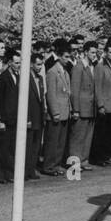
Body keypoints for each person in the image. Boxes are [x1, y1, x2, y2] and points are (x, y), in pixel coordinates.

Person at [41, 40, 72, 175]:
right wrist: (55, 112)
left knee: (60, 142)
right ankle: (48, 166)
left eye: (69, 57)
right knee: (52, 141)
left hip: (65, 111)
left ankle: (57, 164)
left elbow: (68, 93)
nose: (68, 59)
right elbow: (51, 94)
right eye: (65, 57)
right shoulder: (52, 72)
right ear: (59, 56)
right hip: (57, 112)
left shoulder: (65, 72)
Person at [69, 40, 98, 171]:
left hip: (91, 108)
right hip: (81, 107)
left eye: (95, 52)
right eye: (92, 52)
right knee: (78, 136)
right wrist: (76, 109)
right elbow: (74, 90)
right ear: (85, 52)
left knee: (88, 135)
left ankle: (84, 160)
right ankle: (74, 161)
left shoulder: (93, 67)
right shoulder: (79, 67)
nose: (94, 54)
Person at [0, 52, 20, 182]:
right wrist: (1, 119)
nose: (18, 65)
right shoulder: (3, 78)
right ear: (9, 63)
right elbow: (0, 99)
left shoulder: (19, 76)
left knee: (11, 148)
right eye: (16, 63)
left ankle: (9, 173)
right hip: (6, 118)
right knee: (1, 148)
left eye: (19, 62)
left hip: (15, 118)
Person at [91, 44, 111, 166]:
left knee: (109, 133)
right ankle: (98, 158)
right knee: (101, 133)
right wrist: (100, 105)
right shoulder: (100, 66)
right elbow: (98, 87)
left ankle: (106, 155)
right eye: (110, 52)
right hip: (105, 105)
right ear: (105, 52)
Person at [25, 52, 45, 178]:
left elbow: (41, 98)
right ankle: (25, 172)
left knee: (35, 146)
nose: (40, 67)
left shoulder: (40, 78)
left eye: (41, 64)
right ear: (32, 64)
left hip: (39, 117)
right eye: (38, 64)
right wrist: (27, 118)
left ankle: (31, 170)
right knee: (27, 146)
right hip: (30, 117)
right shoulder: (26, 78)